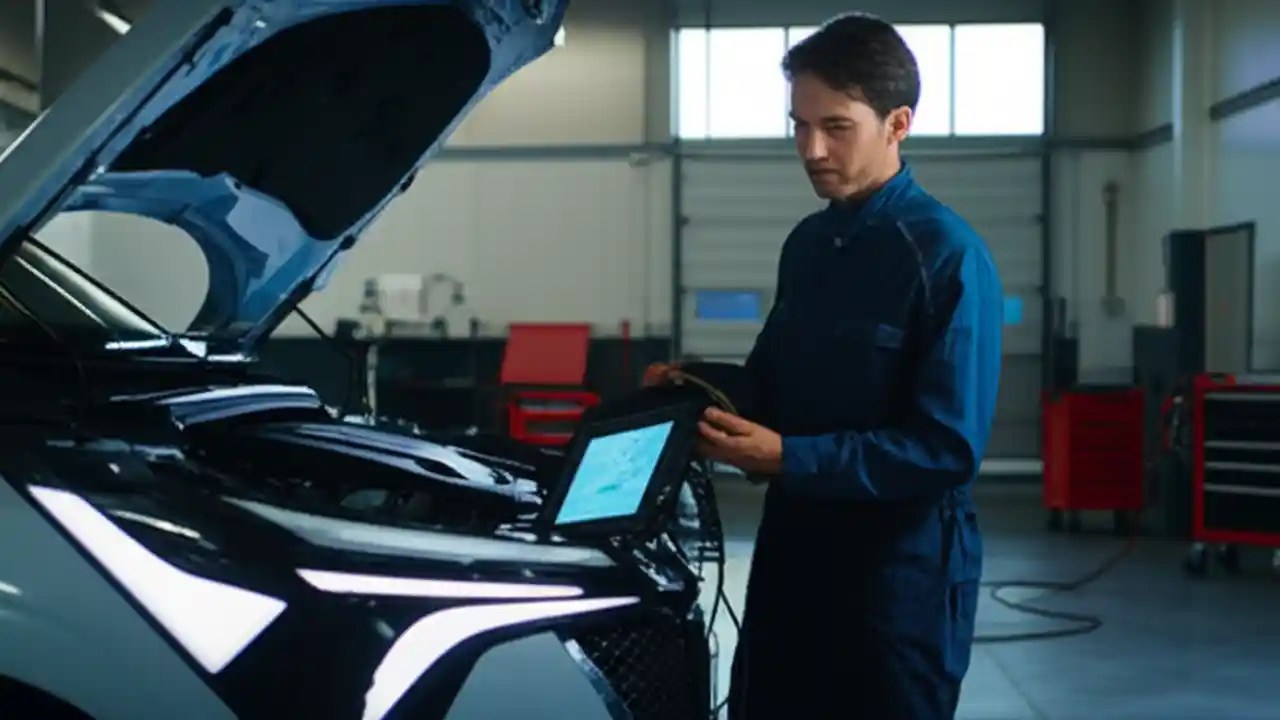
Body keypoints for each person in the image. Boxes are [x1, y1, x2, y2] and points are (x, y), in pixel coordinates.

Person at [648, 12, 1003, 719]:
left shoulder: (946, 258)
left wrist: (793, 457)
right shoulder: (809, 245)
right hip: (793, 556)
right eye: (798, 125)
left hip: (897, 582)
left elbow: (946, 447)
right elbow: (775, 383)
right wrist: (697, 388)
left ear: (897, 124)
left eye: (836, 127)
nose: (811, 149)